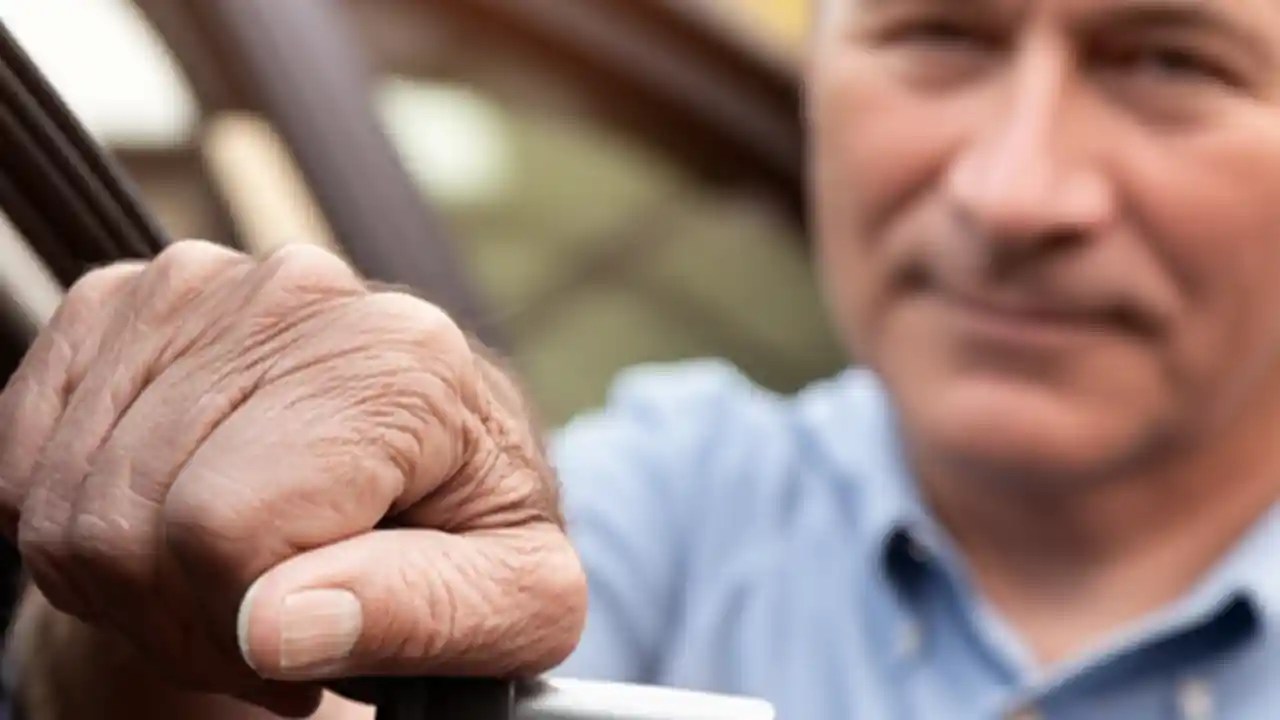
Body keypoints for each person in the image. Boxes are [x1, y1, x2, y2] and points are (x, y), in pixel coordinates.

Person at [7, 0, 1280, 717]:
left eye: (1169, 61)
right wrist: (153, 638)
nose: (1010, 192)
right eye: (937, 37)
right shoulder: (677, 502)